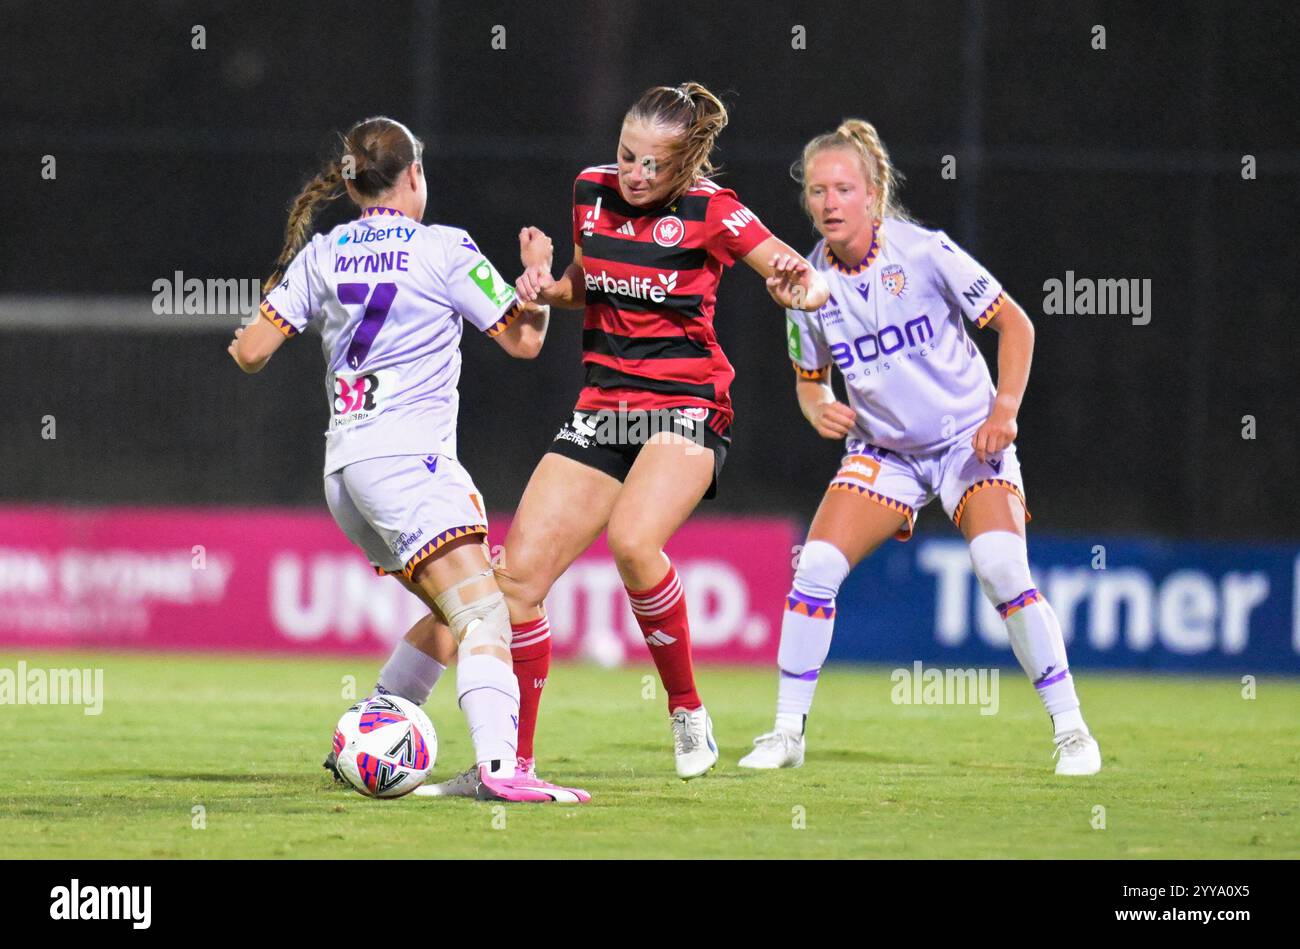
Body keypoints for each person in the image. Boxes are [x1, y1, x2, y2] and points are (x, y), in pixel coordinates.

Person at [428, 82, 830, 793]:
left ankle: (685, 708)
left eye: (654, 165)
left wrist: (798, 286)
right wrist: (545, 285)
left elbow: (790, 270)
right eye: (627, 157)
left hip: (687, 404)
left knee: (634, 541)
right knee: (516, 581)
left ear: (685, 166)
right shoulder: (589, 190)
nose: (636, 175)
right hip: (604, 404)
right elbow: (592, 281)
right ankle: (512, 767)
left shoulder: (715, 210)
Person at [228, 115, 589, 802]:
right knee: (486, 615)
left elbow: (249, 351)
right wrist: (537, 283)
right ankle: (499, 771)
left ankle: (367, 735)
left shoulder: (324, 252)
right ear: (414, 175)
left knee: (456, 619)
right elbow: (524, 342)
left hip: (346, 474)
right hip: (410, 464)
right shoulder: (443, 248)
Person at [738, 119, 1101, 776]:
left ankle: (1072, 729)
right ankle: (787, 732)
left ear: (873, 196)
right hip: (886, 452)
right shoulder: (803, 284)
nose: (828, 202)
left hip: (967, 440)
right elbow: (809, 379)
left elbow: (1015, 323)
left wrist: (1006, 410)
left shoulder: (925, 251)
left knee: (999, 566)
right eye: (818, 190)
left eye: (843, 188)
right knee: (815, 567)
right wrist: (816, 406)